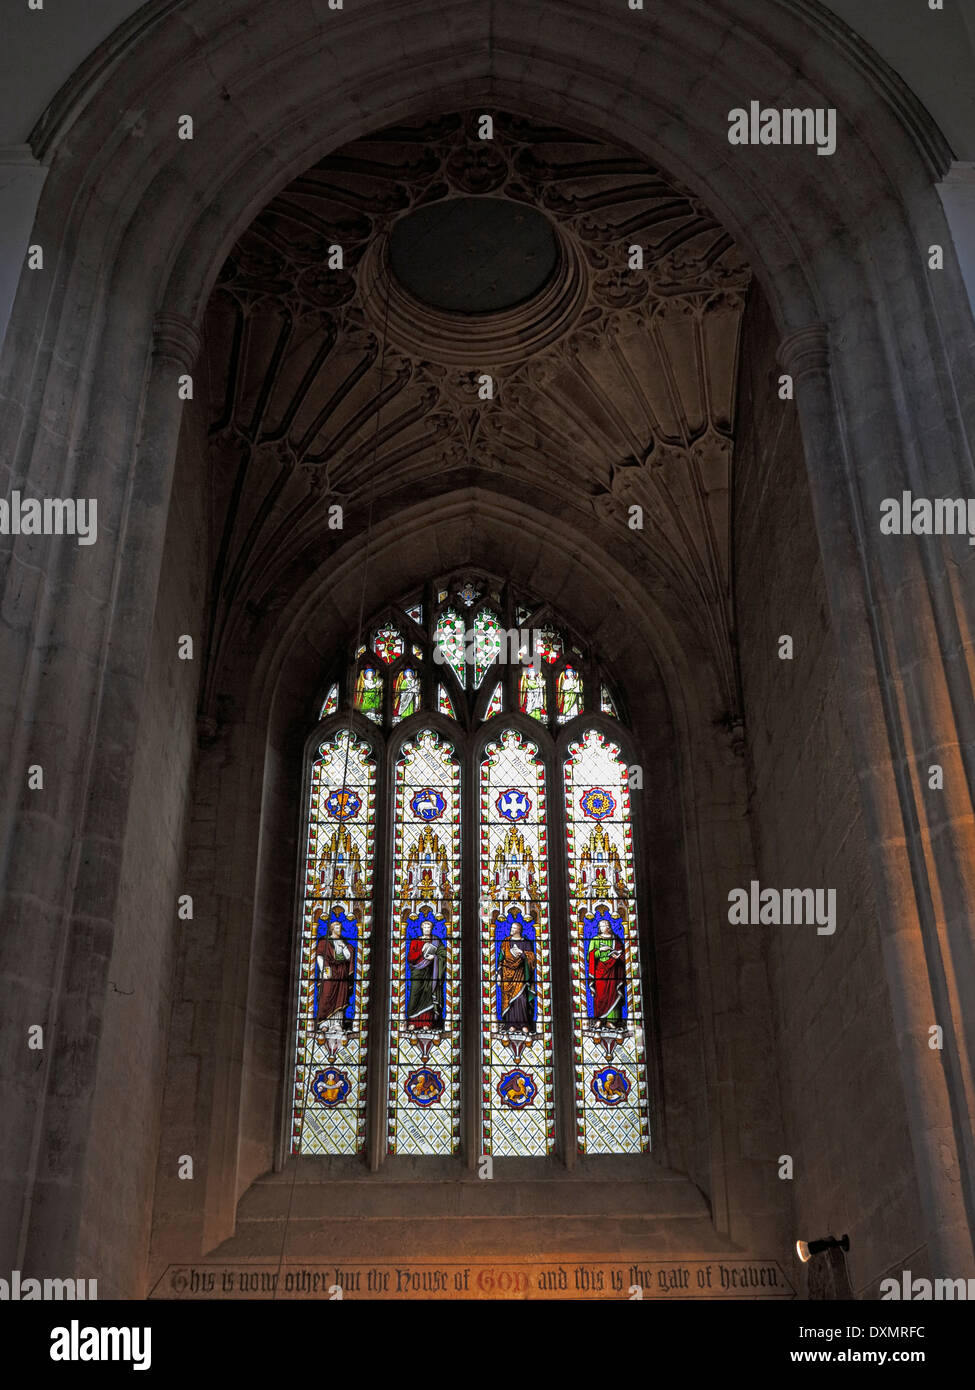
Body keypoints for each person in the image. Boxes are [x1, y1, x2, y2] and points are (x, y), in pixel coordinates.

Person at [497, 918, 537, 1032]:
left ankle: (524, 1024)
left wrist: (523, 954)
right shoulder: (505, 942)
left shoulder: (526, 942)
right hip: (507, 976)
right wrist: (499, 974)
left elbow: (532, 959)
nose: (511, 929)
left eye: (514, 928)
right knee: (510, 1001)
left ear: (519, 930)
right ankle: (511, 1025)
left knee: (522, 999)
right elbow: (500, 960)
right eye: (511, 928)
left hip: (521, 975)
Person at [315, 919, 354, 1030]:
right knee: (326, 995)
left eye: (340, 927)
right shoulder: (324, 942)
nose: (339, 929)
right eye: (337, 928)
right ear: (332, 929)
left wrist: (344, 947)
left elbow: (348, 957)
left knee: (340, 997)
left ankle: (337, 1022)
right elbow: (320, 956)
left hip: (341, 972)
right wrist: (325, 970)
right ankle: (324, 1023)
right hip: (329, 972)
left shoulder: (344, 942)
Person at [407, 920, 446, 1028]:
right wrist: (422, 950)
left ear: (432, 928)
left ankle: (427, 1023)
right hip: (417, 973)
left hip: (431, 973)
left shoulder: (436, 941)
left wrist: (435, 958)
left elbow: (444, 954)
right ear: (421, 928)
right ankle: (412, 1022)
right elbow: (410, 958)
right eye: (425, 927)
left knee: (428, 996)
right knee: (414, 996)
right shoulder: (415, 941)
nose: (427, 929)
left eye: (429, 927)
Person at [587, 914, 625, 1027]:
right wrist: (599, 950)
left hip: (614, 970)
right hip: (600, 971)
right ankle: (599, 1019)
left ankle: (611, 1021)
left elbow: (623, 952)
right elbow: (590, 956)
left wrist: (618, 955)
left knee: (614, 994)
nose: (606, 927)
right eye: (603, 925)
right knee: (600, 995)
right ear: (599, 928)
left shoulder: (616, 939)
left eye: (607, 925)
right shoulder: (595, 940)